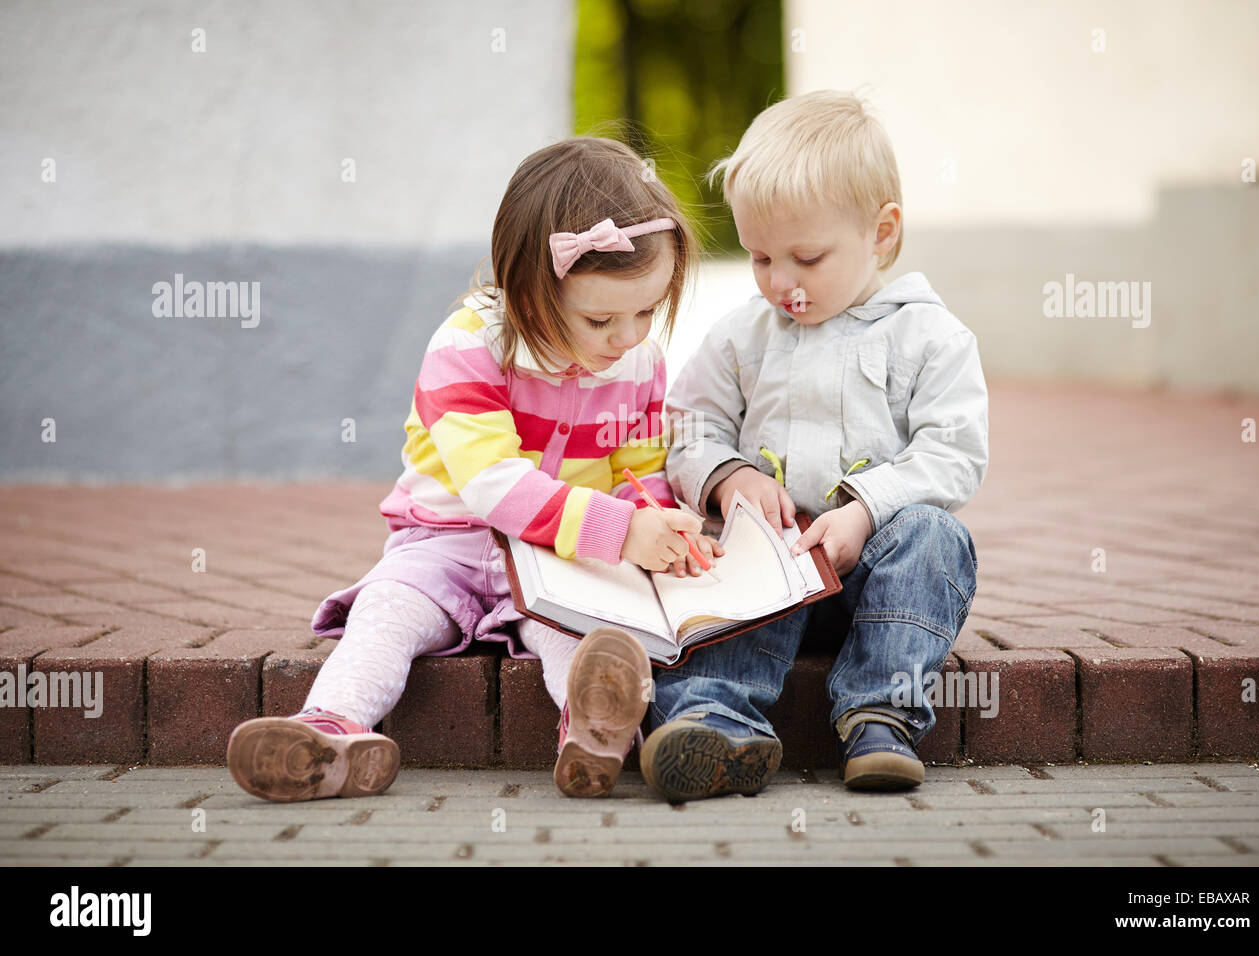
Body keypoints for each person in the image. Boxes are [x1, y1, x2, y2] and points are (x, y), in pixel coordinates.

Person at [227, 137, 717, 802]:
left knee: (582, 635)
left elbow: (640, 468)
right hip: (444, 544)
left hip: (561, 557)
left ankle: (595, 736)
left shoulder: (636, 361)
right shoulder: (468, 345)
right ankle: (329, 733)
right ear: (530, 291)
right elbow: (492, 484)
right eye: (602, 317)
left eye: (646, 312)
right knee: (387, 613)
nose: (628, 337)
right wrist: (621, 529)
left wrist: (658, 520)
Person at [642, 90, 988, 801]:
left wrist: (866, 511)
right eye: (761, 257)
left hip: (875, 576)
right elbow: (688, 424)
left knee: (938, 538)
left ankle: (880, 717)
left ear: (882, 232)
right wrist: (727, 476)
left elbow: (954, 452)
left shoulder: (929, 336)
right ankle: (716, 719)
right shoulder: (743, 335)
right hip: (774, 571)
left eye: (806, 257)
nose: (780, 283)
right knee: (725, 548)